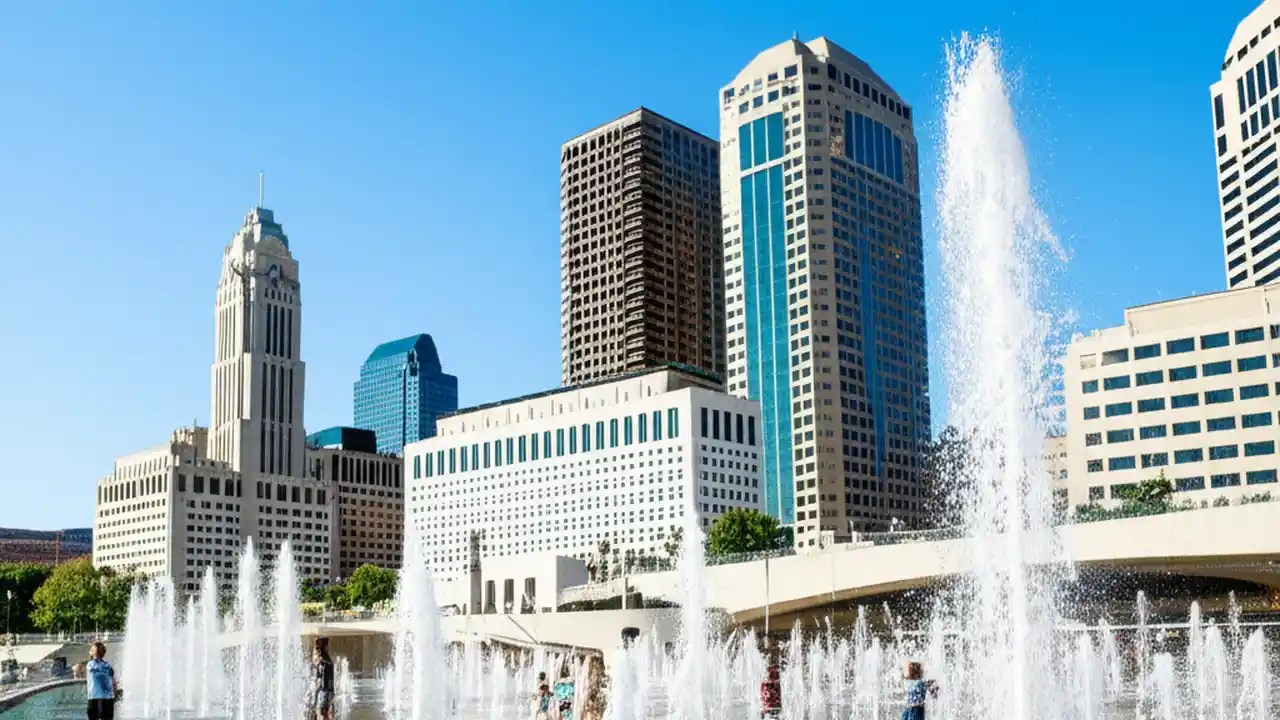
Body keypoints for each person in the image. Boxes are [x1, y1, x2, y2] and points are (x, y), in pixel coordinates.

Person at [85, 642, 118, 720]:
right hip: (107, 698)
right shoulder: (107, 665)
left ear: (94, 652)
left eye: (92, 649)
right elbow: (113, 680)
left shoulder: (91, 664)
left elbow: (94, 670)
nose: (89, 650)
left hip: (94, 698)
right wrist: (115, 693)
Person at [311, 637, 335, 720]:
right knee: (323, 714)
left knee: (323, 714)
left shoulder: (322, 662)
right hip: (326, 692)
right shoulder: (325, 662)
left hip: (324, 692)